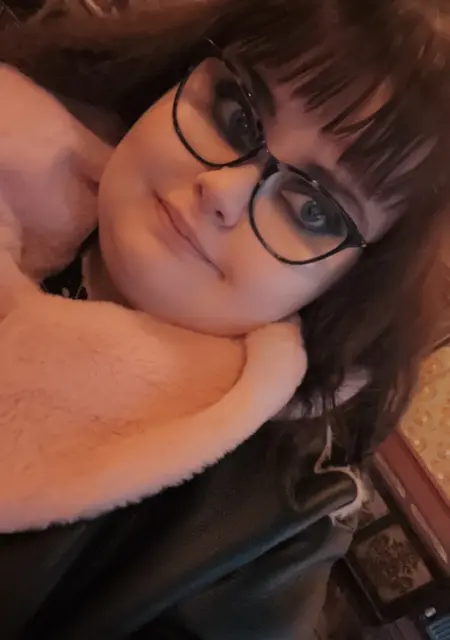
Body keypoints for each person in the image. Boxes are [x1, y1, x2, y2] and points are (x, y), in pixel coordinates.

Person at [0, 0, 448, 637]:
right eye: (238, 116)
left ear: (349, 285)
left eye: (314, 209)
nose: (222, 190)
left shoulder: (263, 548)